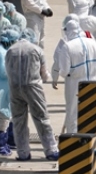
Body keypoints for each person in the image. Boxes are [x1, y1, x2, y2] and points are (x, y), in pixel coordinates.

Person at [7, 29, 59, 161]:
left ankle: (23, 152)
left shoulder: (11, 50)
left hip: (14, 87)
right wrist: (46, 80)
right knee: (42, 118)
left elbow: (7, 69)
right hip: (33, 87)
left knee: (18, 120)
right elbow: (44, 73)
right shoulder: (36, 49)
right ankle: (51, 150)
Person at [51, 14, 96, 134]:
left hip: (75, 84)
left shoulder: (66, 46)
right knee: (92, 111)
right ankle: (91, 138)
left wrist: (58, 76)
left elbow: (63, 71)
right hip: (94, 81)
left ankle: (72, 140)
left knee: (73, 113)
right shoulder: (92, 41)